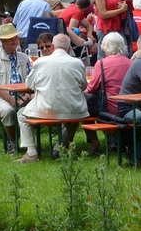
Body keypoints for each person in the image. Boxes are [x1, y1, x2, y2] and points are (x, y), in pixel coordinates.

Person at [17, 33, 89, 162]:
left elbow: (29, 84)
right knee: (72, 118)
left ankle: (32, 153)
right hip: (74, 109)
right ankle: (59, 147)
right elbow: (83, 87)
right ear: (68, 48)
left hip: (45, 109)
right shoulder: (78, 63)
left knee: (21, 114)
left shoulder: (40, 62)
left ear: (54, 46)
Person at [0, 22, 33, 154]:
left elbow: (30, 80)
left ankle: (32, 145)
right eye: (11, 39)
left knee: (34, 109)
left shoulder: (24, 57)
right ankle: (12, 141)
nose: (15, 41)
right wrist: (10, 99)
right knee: (8, 110)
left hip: (23, 95)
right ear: (3, 41)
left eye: (16, 38)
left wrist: (27, 96)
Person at [86, 31, 132, 120]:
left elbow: (91, 88)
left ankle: (91, 134)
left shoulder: (101, 63)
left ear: (105, 47)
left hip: (109, 109)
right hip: (129, 107)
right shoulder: (130, 62)